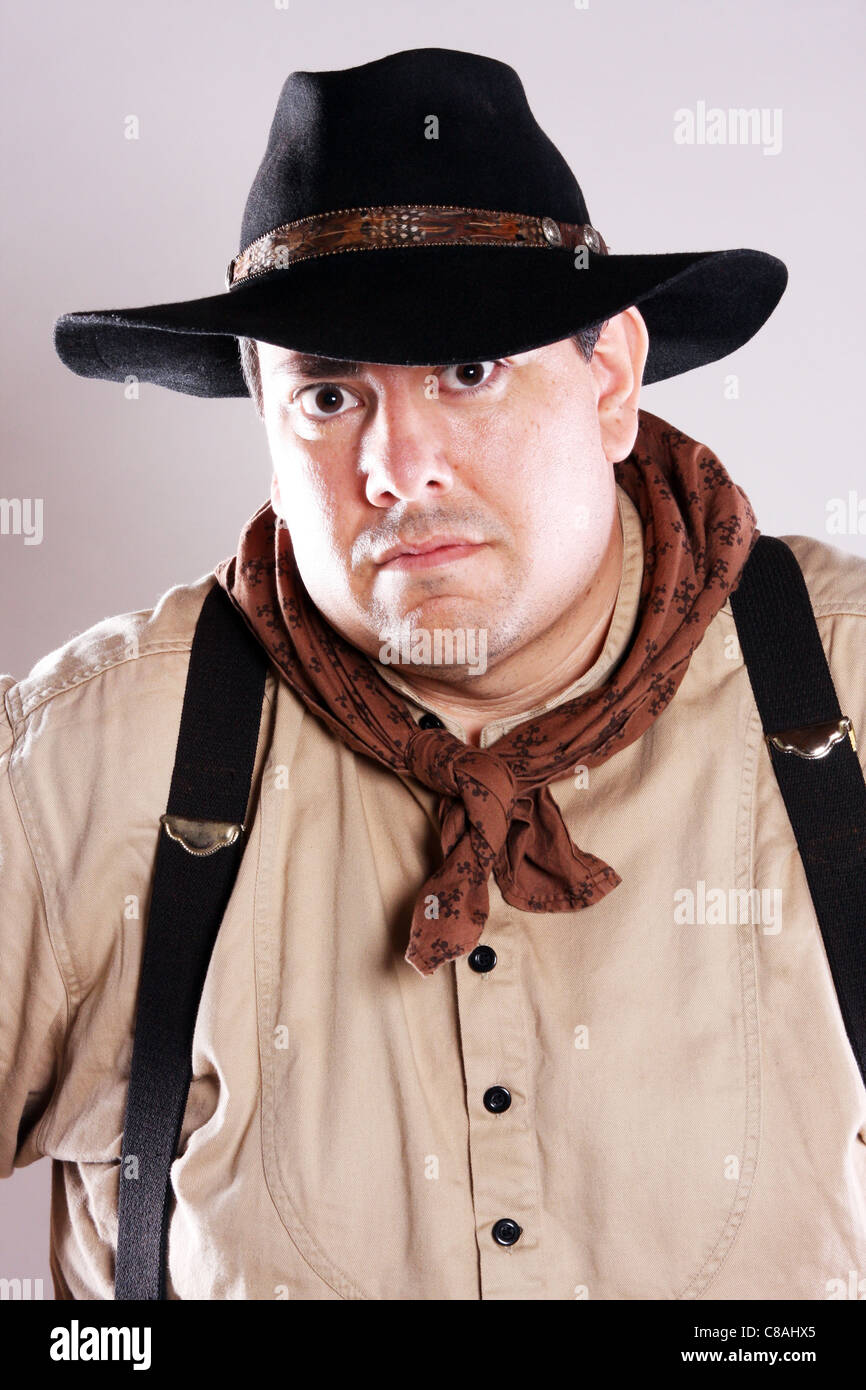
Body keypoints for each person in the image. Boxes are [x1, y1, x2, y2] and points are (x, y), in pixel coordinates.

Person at [2, 45, 865, 1302]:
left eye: (468, 370)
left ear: (608, 378)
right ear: (261, 407)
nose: (398, 467)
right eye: (331, 395)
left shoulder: (840, 692)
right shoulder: (80, 764)